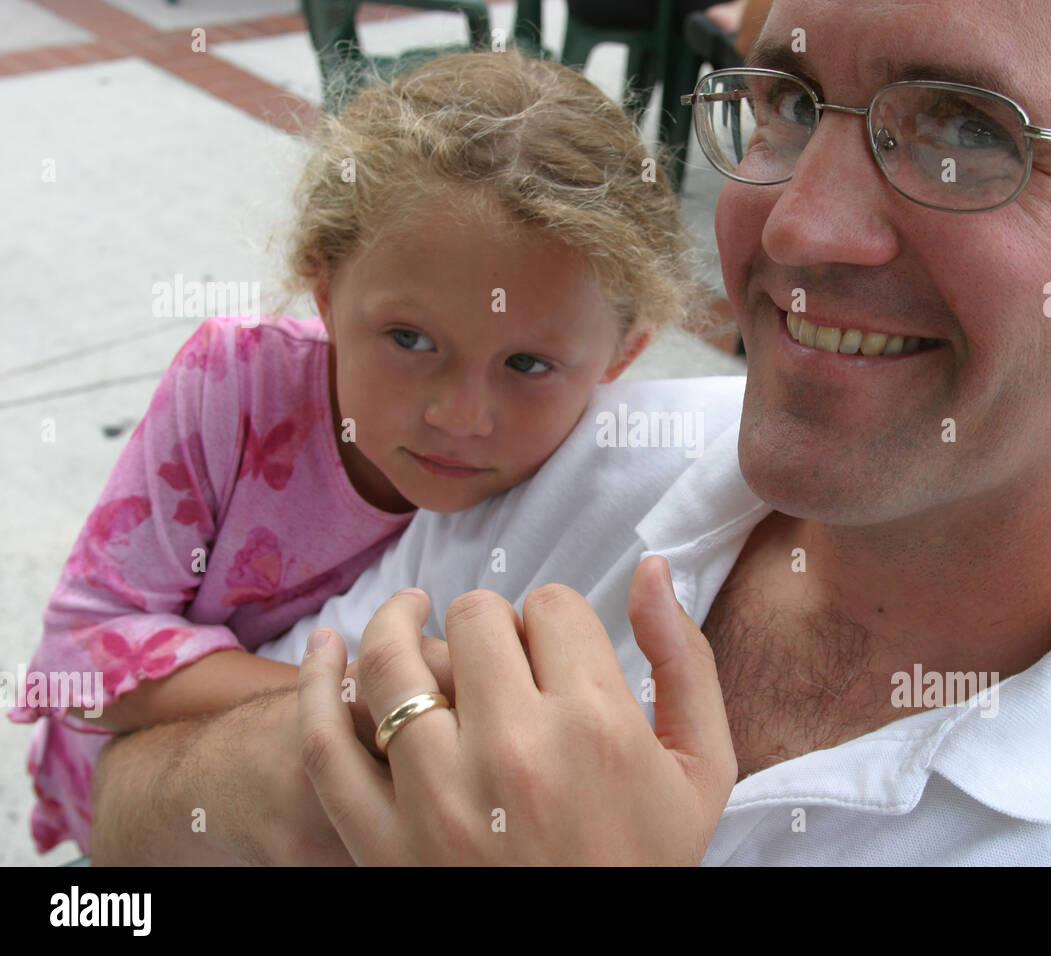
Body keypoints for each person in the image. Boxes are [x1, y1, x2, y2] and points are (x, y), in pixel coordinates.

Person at [93, 0, 1051, 865]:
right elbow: (127, 811)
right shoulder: (581, 456)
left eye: (965, 130)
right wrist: (341, 766)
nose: (795, 227)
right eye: (784, 102)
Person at [11, 49, 700, 857]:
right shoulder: (235, 387)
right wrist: (380, 701)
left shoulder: (594, 467)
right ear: (328, 291)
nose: (460, 415)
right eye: (409, 339)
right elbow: (79, 653)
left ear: (620, 357)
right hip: (135, 804)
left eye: (527, 365)